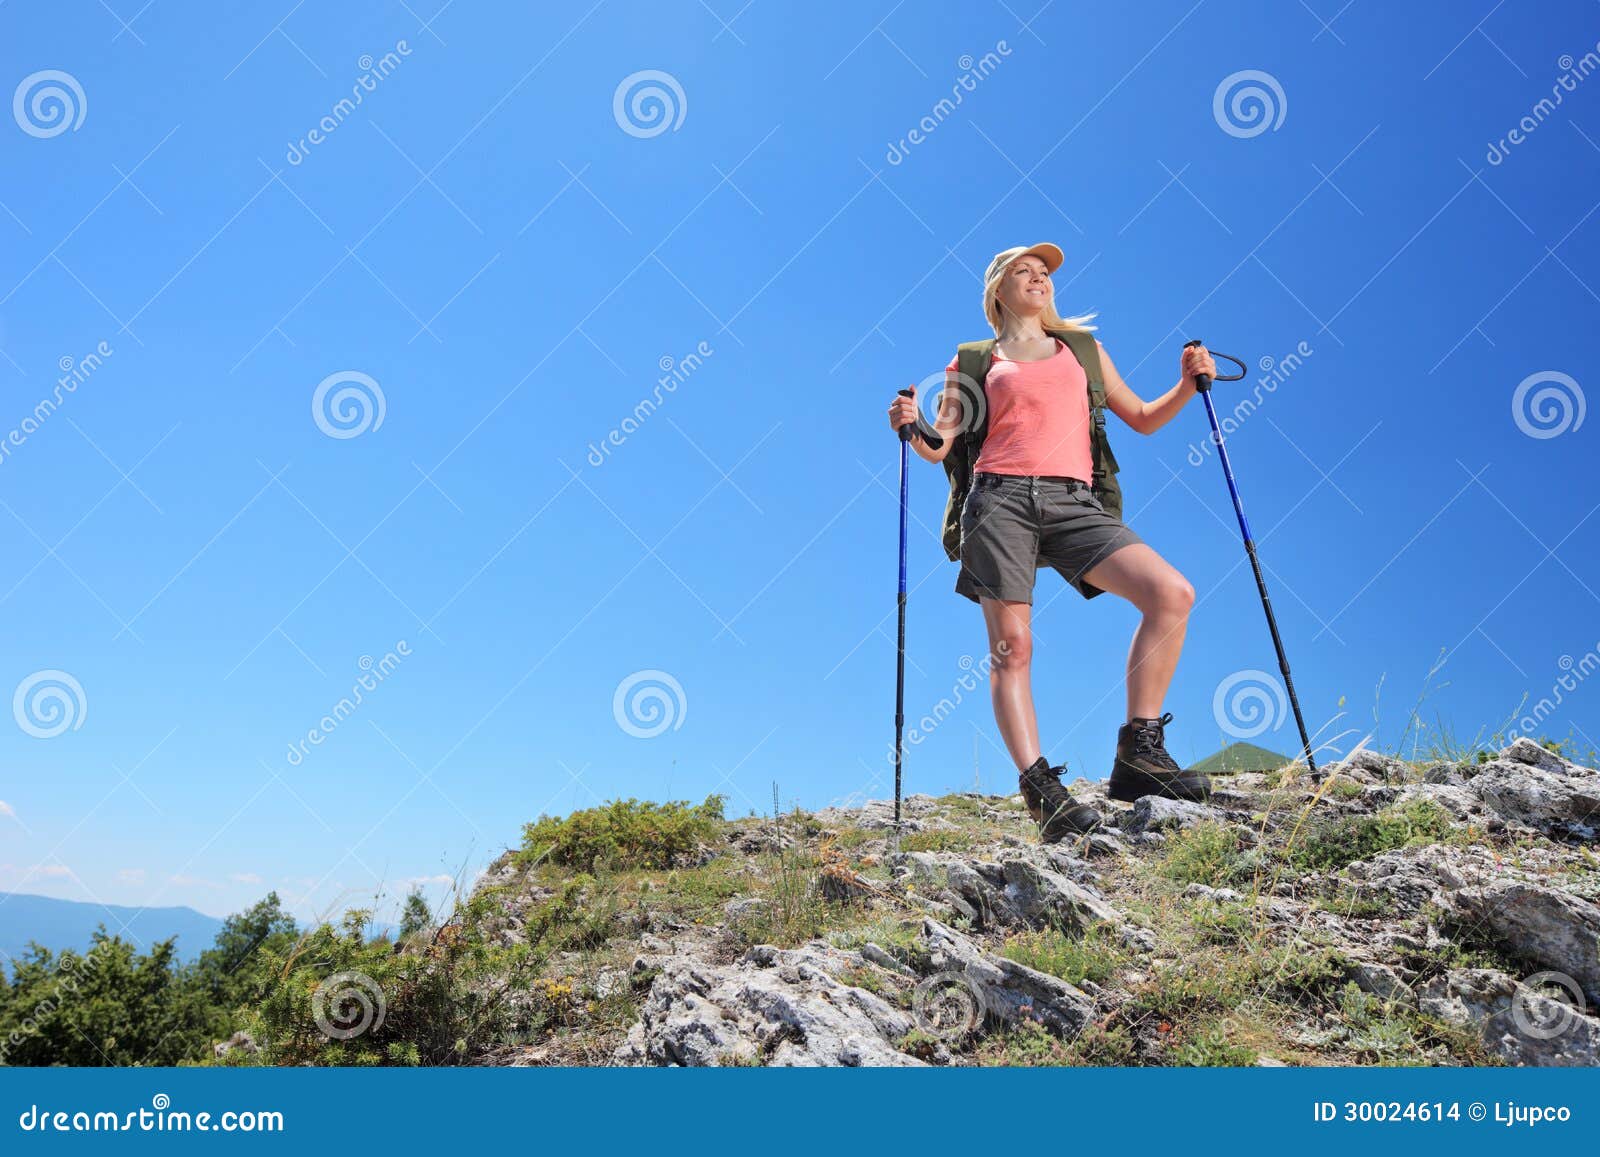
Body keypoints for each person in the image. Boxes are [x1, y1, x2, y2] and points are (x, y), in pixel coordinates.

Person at [886, 242, 1215, 842]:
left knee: (1171, 593)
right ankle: (1043, 792)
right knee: (1013, 647)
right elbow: (940, 446)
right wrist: (912, 425)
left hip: (1073, 500)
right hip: (999, 501)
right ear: (998, 291)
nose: (1038, 279)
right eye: (1024, 272)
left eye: (1044, 274)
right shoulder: (973, 361)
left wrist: (1189, 385)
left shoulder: (1081, 351)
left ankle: (1139, 755)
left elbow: (1140, 416)